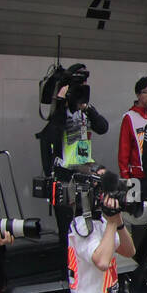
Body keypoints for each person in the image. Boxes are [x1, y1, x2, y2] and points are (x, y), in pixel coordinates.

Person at [39, 78, 109, 243]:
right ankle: (68, 268)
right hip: (65, 178)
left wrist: (87, 107)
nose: (81, 92)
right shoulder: (60, 114)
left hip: (84, 176)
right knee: (68, 234)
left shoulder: (86, 112)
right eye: (78, 89)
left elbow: (103, 127)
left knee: (86, 229)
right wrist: (62, 102)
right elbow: (51, 133)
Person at [117, 77, 147, 183]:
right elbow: (123, 150)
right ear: (138, 95)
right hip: (135, 176)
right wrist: (125, 177)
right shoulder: (129, 117)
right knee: (135, 200)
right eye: (146, 92)